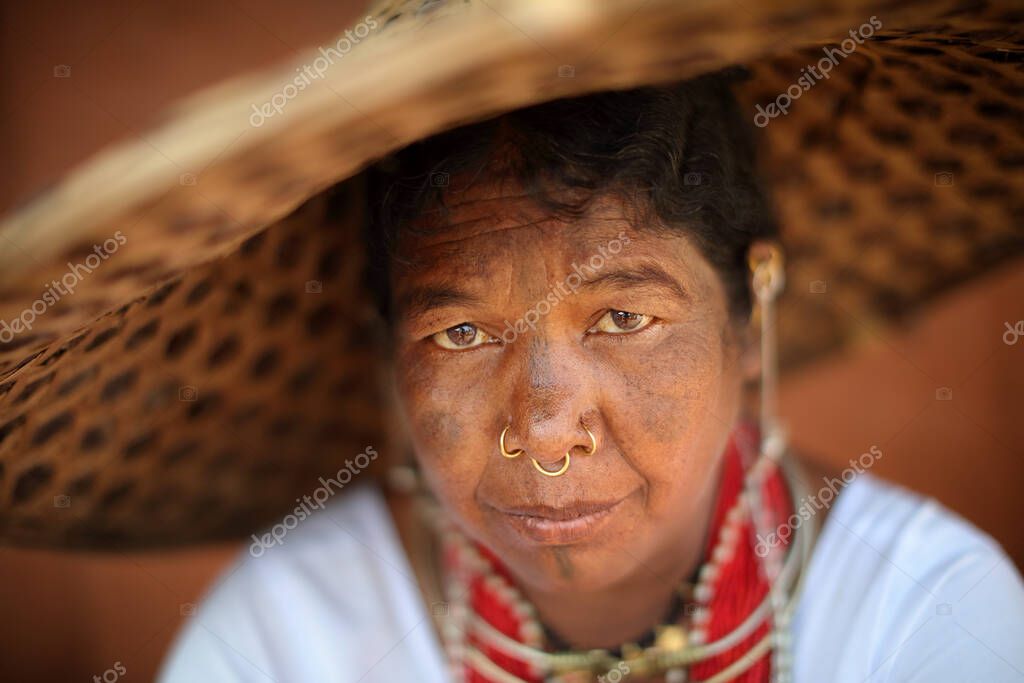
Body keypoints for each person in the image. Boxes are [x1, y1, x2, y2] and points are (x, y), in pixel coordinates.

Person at [159, 73, 1024, 682]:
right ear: (390, 355)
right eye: (460, 332)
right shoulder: (283, 633)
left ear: (750, 317)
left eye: (623, 318)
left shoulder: (922, 612)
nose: (544, 431)